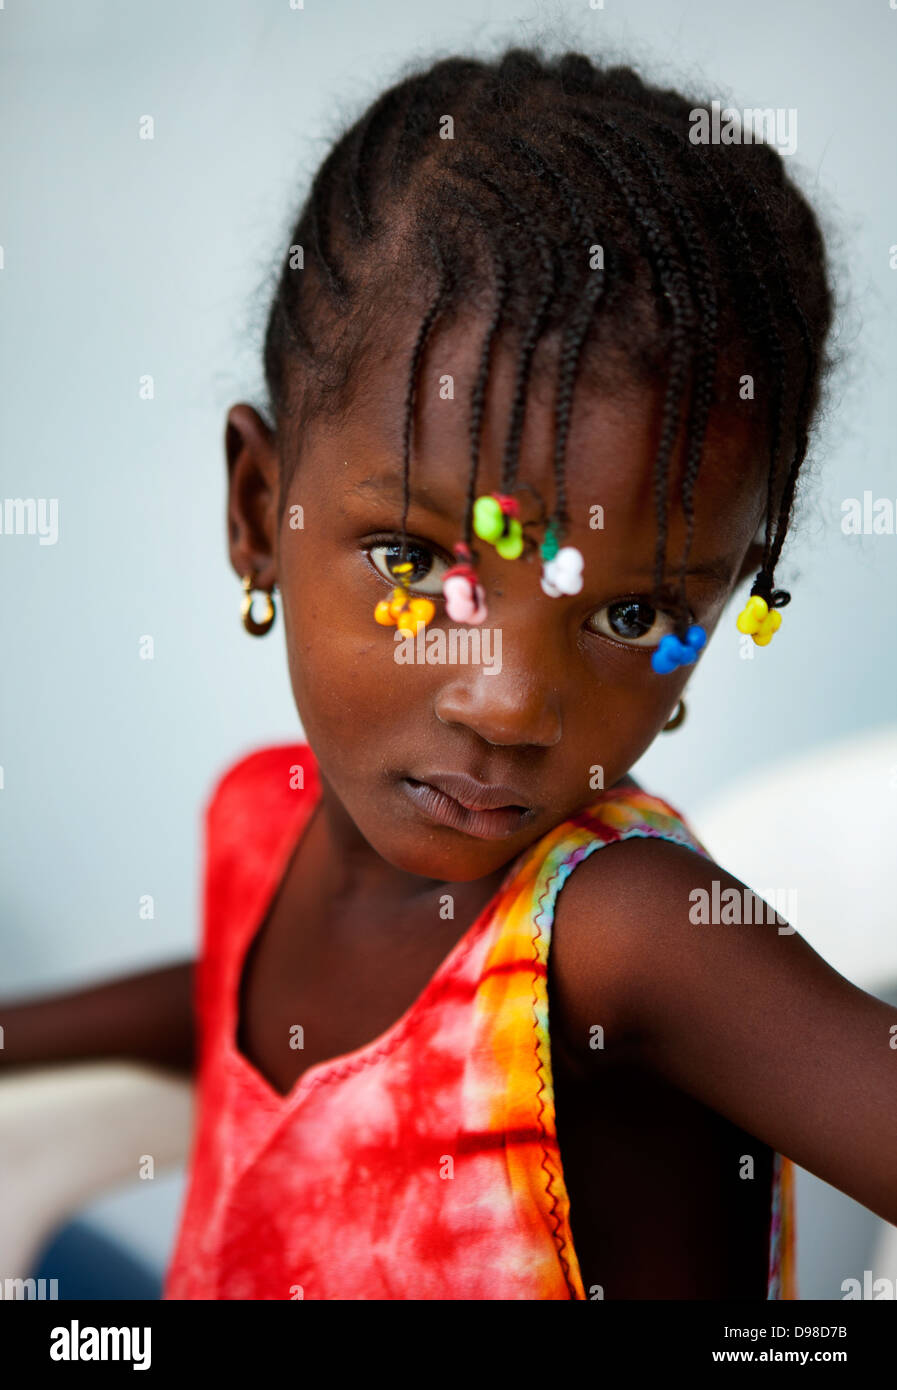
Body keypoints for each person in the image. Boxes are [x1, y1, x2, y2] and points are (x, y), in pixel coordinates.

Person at [4, 47, 895, 1301]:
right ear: (262, 510)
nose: (510, 700)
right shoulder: (267, 821)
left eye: (637, 610)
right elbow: (237, 995)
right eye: (417, 559)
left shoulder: (625, 936)